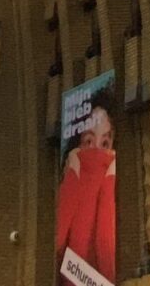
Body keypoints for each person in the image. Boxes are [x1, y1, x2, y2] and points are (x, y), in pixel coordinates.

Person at [55, 87, 118, 285]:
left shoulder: (117, 192)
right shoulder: (73, 180)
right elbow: (56, 243)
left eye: (105, 143)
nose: (98, 151)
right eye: (89, 141)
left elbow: (107, 251)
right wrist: (73, 178)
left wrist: (108, 186)